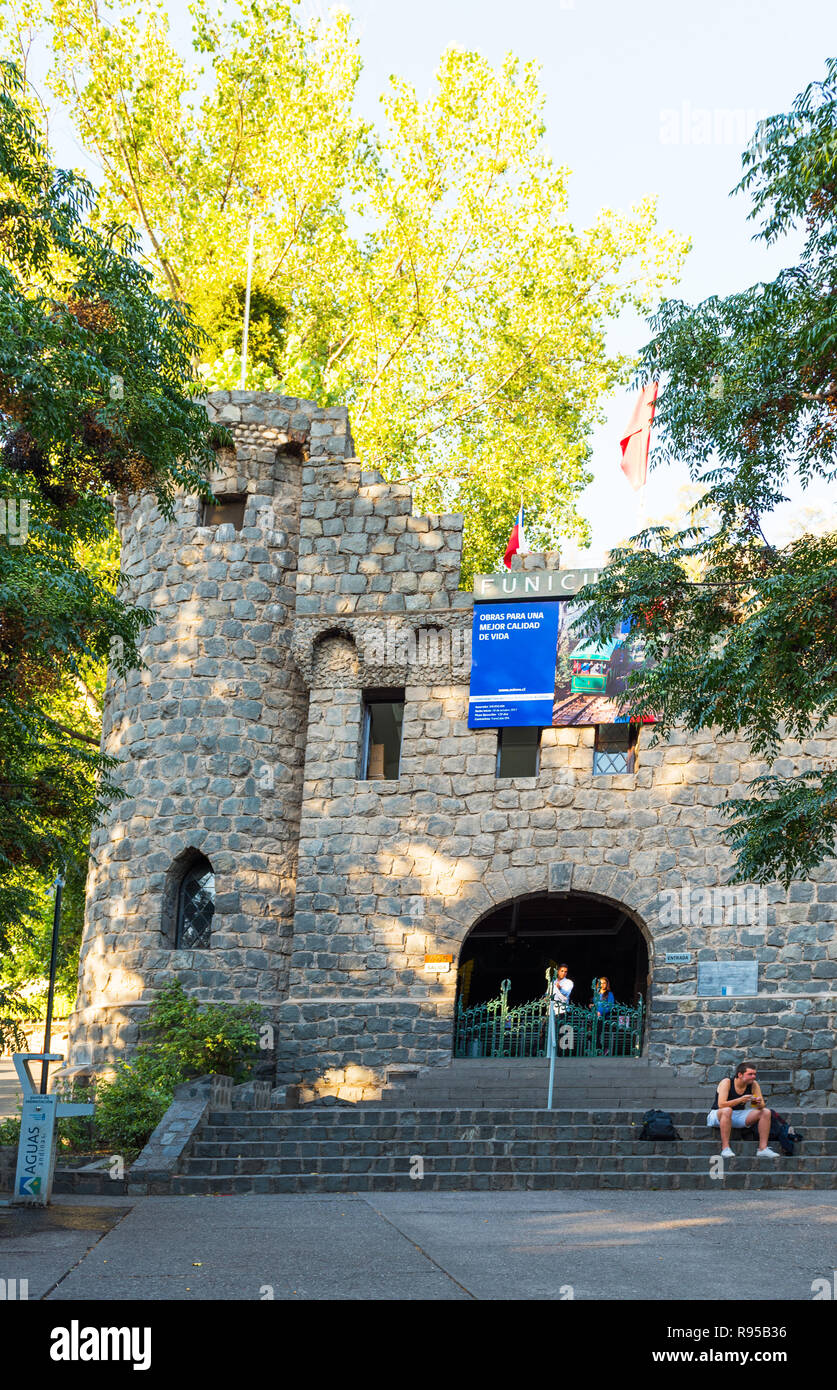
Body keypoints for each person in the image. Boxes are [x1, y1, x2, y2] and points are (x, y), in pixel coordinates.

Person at [707, 1061, 779, 1158]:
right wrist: (740, 1099)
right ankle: (725, 1148)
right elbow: (721, 1104)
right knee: (727, 1110)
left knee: (765, 1112)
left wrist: (756, 1102)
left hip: (737, 1114)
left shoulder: (753, 1084)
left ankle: (763, 1148)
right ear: (740, 1074)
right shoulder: (727, 1082)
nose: (753, 1077)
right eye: (750, 1074)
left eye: (754, 1074)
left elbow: (760, 1106)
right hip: (717, 1114)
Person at [593, 976, 614, 1054]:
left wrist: (600, 1012)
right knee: (590, 1033)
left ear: (607, 984)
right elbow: (596, 1005)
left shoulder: (610, 994)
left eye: (604, 983)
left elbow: (610, 1006)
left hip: (603, 1018)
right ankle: (600, 1049)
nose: (602, 984)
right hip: (594, 1017)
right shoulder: (596, 994)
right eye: (600, 983)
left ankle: (601, 1049)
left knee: (596, 1033)